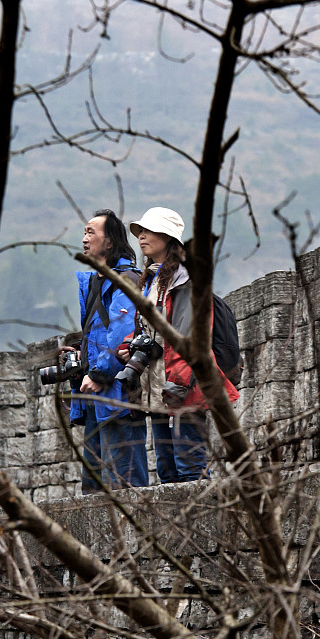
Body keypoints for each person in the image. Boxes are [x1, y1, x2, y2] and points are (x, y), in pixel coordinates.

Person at [129, 207, 239, 483]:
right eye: (140, 231)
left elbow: (190, 338)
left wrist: (178, 383)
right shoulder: (152, 281)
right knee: (167, 471)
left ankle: (203, 513)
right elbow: (151, 330)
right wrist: (129, 346)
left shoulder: (185, 281)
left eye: (149, 230)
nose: (141, 236)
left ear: (168, 238)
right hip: (159, 388)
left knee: (190, 468)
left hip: (183, 388)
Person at [69, 209, 148, 492]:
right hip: (96, 394)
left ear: (110, 241)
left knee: (125, 483)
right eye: (84, 232)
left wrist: (99, 373)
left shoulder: (126, 280)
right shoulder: (98, 282)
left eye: (91, 232)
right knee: (93, 487)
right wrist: (80, 354)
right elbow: (99, 335)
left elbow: (121, 334)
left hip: (117, 393)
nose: (84, 239)